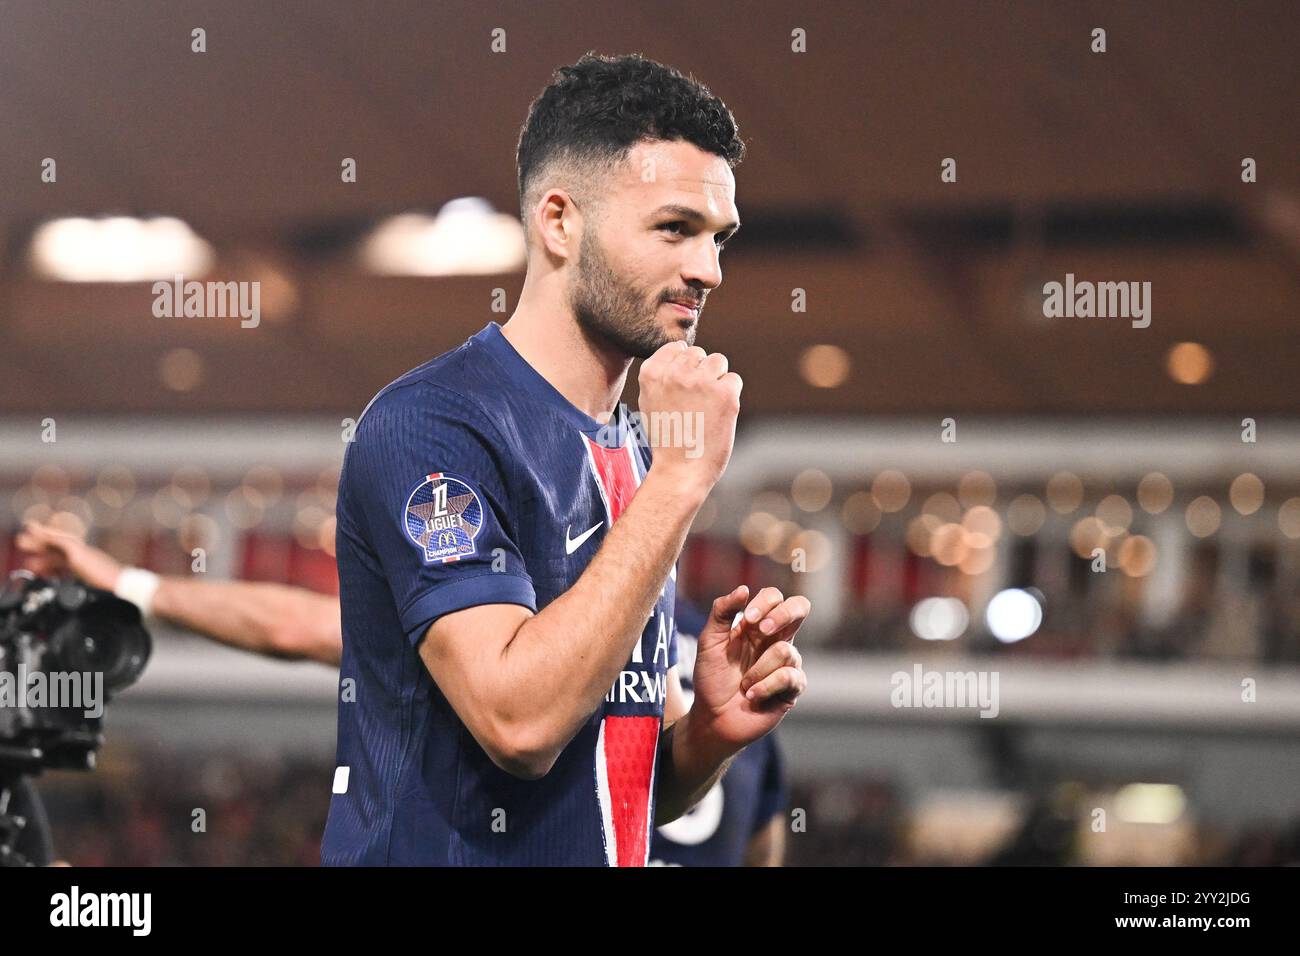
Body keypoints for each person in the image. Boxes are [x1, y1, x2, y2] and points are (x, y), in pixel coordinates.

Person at [322, 52, 807, 865]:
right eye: (674, 229)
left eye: (718, 238)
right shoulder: (434, 426)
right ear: (558, 221)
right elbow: (520, 726)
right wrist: (681, 480)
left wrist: (706, 738)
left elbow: (612, 791)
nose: (708, 270)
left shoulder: (631, 443)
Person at [19, 522, 791, 865]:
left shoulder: (524, 639)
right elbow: (760, 854)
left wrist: (129, 581)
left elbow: (295, 625)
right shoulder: (736, 699)